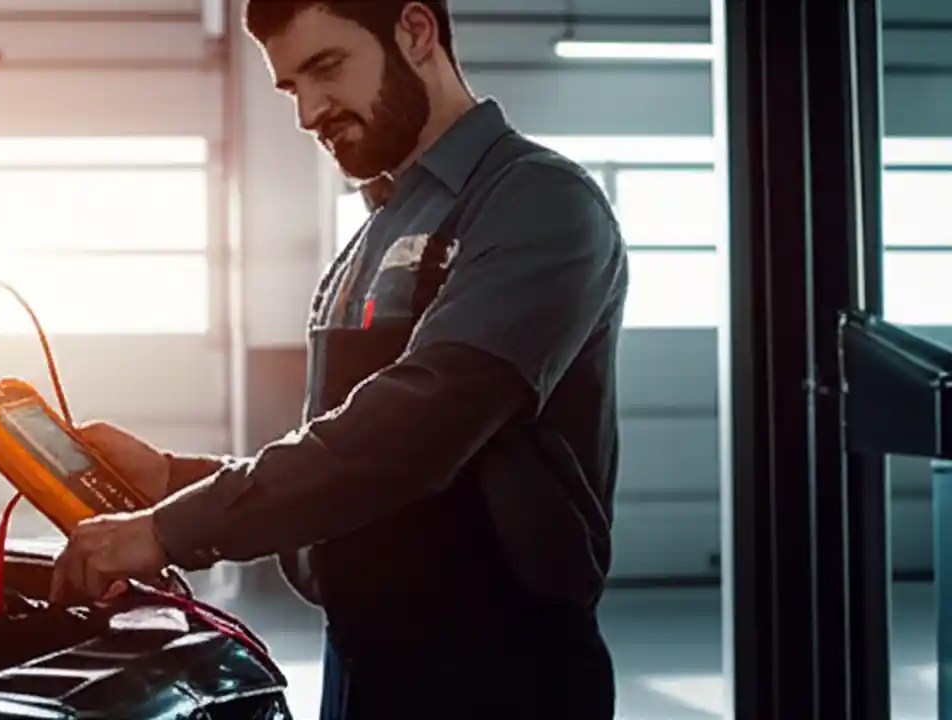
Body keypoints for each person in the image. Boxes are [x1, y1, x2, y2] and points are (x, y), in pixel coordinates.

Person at [51, 1, 628, 717]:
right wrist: (174, 478)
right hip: (366, 664)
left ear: (416, 33)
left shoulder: (537, 202)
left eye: (326, 68)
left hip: (499, 678)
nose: (308, 112)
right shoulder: (373, 237)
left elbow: (414, 429)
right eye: (291, 87)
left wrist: (171, 528)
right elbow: (335, 457)